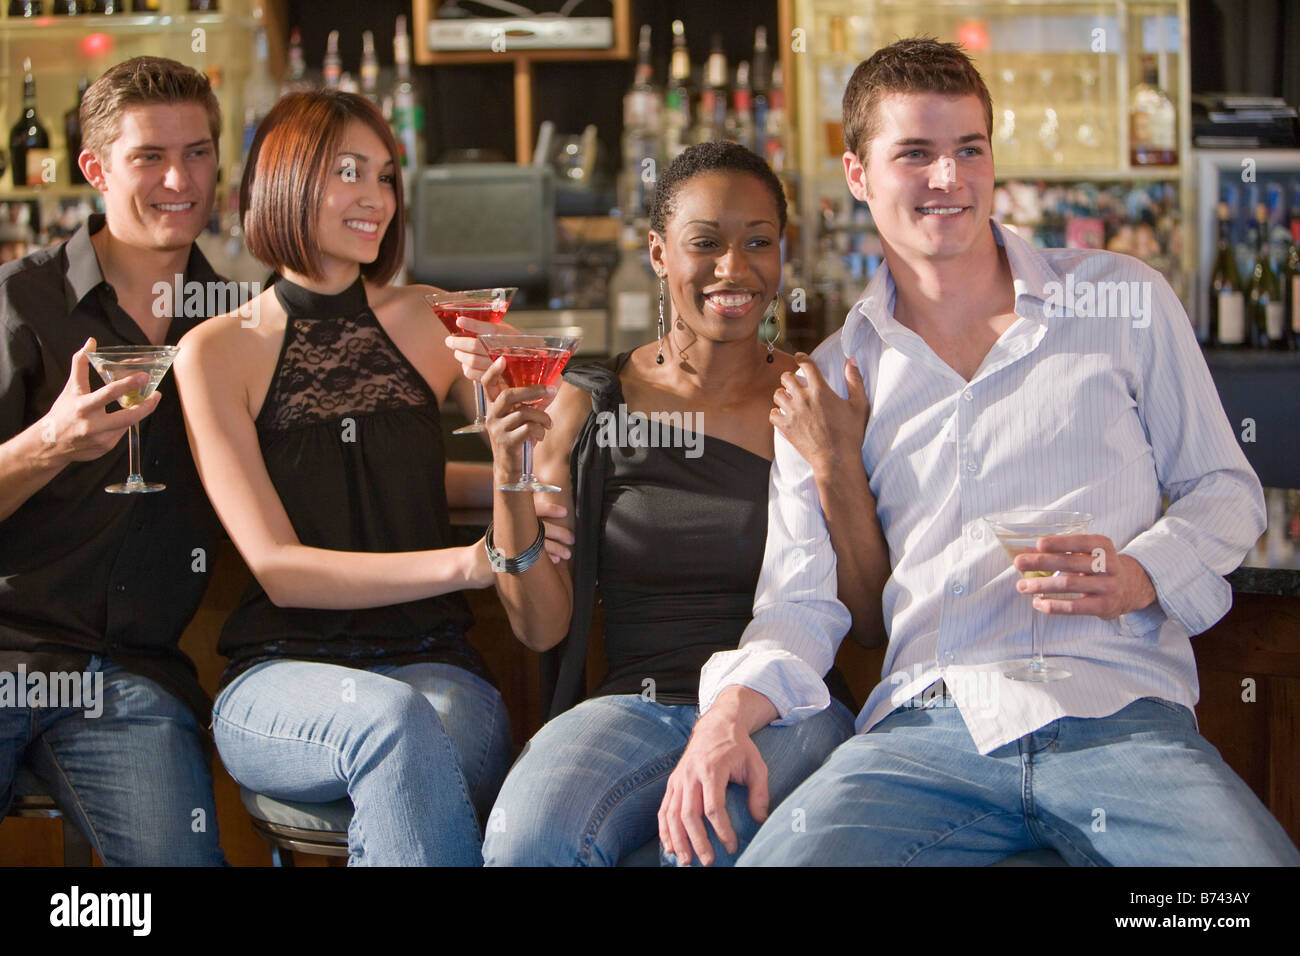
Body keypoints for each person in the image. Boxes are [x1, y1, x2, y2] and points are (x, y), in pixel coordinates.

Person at [683, 37, 1300, 867]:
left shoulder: (1121, 301)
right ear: (857, 175)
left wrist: (1141, 573)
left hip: (1116, 713)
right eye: (916, 155)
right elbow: (800, 605)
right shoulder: (829, 380)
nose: (949, 179)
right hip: (925, 733)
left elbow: (1226, 491)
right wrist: (723, 717)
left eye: (969, 150)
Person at [452, 141, 866, 867]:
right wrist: (508, 467)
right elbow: (541, 627)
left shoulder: (813, 394)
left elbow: (868, 613)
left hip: (786, 708)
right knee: (526, 841)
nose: (734, 269)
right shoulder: (589, 402)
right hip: (638, 708)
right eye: (705, 243)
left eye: (758, 243)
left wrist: (837, 464)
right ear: (658, 252)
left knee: (711, 840)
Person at [173, 91, 529, 866]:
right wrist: (474, 564)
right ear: (286, 180)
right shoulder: (213, 351)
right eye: (347, 172)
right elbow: (281, 569)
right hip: (279, 678)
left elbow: (553, 406)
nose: (375, 197)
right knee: (394, 722)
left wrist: (519, 461)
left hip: (438, 667)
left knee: (412, 736)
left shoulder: (435, 316)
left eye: (386, 176)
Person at [0, 56, 226, 866]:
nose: (180, 178)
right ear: (94, 168)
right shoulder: (18, 302)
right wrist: (49, 443)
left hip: (128, 678)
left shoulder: (232, 322)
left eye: (198, 152)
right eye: (150, 157)